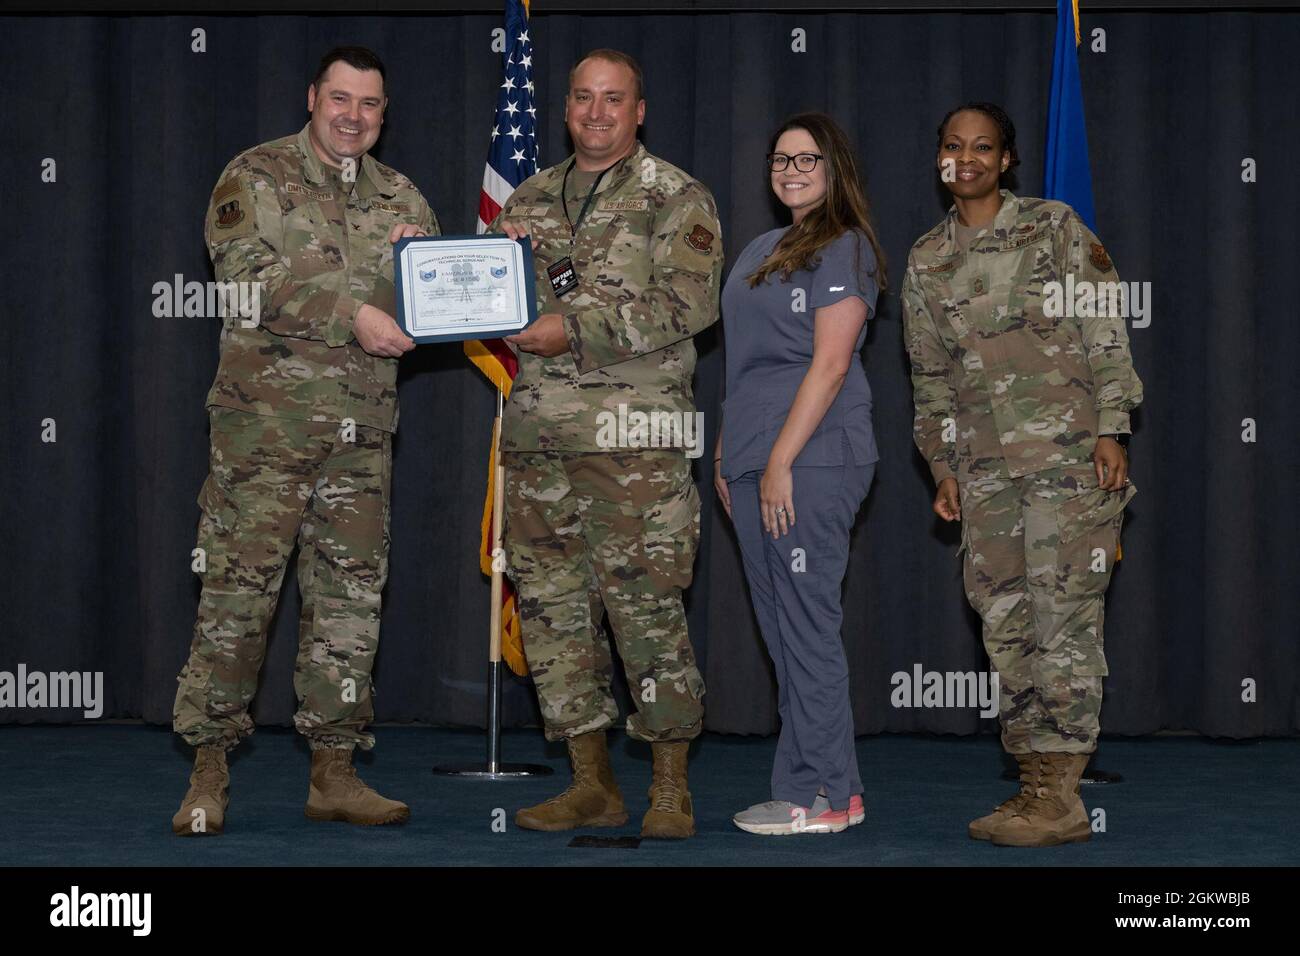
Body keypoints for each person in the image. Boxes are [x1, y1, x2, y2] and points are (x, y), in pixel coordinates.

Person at [171, 46, 438, 836]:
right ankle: (208, 769)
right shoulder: (253, 176)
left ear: (384, 114)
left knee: (350, 604)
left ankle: (335, 770)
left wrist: (410, 271)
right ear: (313, 96)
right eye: (341, 99)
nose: (354, 116)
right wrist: (355, 309)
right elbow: (246, 275)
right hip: (264, 435)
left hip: (362, 439)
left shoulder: (404, 199)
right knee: (236, 602)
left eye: (371, 105)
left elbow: (424, 303)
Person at [491, 49, 723, 839]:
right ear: (565, 109)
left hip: (635, 445)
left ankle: (668, 787)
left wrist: (574, 331)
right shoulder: (526, 196)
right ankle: (590, 782)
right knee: (554, 616)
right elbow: (495, 298)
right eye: (583, 99)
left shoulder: (677, 195)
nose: (596, 113)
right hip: (538, 441)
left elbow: (691, 301)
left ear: (639, 110)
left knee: (646, 609)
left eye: (613, 99)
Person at [900, 102, 1143, 847]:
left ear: (1007, 159)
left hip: (1068, 458)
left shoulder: (1054, 226)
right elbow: (929, 377)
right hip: (982, 470)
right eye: (952, 146)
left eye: (982, 147)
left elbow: (1104, 323)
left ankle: (1065, 797)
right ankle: (1034, 783)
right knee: (1005, 624)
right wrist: (942, 465)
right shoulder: (925, 260)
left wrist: (1113, 427)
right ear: (938, 157)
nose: (965, 159)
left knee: (1061, 619)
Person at [715, 113, 885, 836]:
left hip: (811, 459)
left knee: (808, 627)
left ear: (834, 165)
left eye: (806, 158)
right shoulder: (761, 246)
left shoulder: (844, 245)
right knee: (781, 630)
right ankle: (814, 790)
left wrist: (780, 460)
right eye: (780, 158)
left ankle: (825, 796)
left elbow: (832, 362)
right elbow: (743, 365)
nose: (790, 169)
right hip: (753, 458)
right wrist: (729, 453)